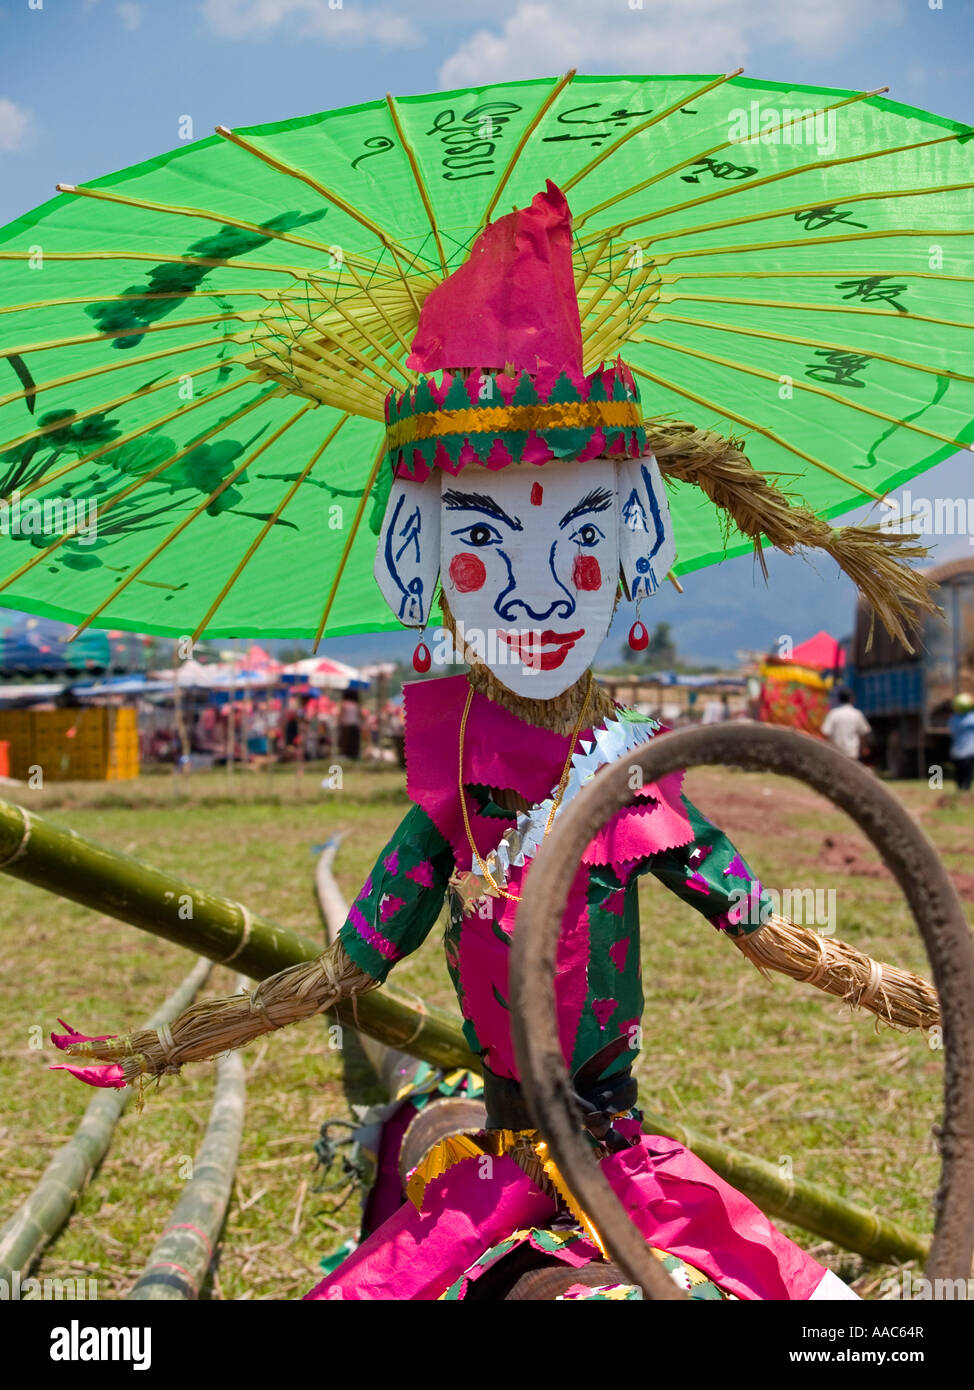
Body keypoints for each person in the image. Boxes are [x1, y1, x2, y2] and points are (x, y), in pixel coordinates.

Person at [55, 184, 936, 1302]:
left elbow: (761, 933)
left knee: (829, 1312)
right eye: (480, 538)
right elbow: (342, 972)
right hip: (505, 1157)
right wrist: (167, 1047)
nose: (535, 589)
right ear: (416, 552)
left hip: (623, 1153)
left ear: (630, 538)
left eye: (578, 537)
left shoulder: (633, 776)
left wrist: (920, 994)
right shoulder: (452, 797)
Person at [821, 687, 871, 761]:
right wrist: (864, 748)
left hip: (836, 753)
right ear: (851, 699)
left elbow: (825, 732)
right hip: (852, 753)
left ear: (839, 700)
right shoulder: (857, 714)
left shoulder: (833, 713)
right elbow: (864, 732)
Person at [949, 692, 974, 792]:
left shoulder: (954, 719)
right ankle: (964, 791)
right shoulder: (971, 718)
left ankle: (962, 790)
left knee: (961, 772)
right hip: (966, 751)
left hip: (957, 751)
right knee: (965, 772)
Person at [338, 688, 362, 760]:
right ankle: (354, 755)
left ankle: (345, 755)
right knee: (354, 742)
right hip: (355, 725)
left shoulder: (344, 704)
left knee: (346, 742)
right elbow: (359, 715)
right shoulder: (357, 704)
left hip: (346, 725)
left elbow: (341, 715)